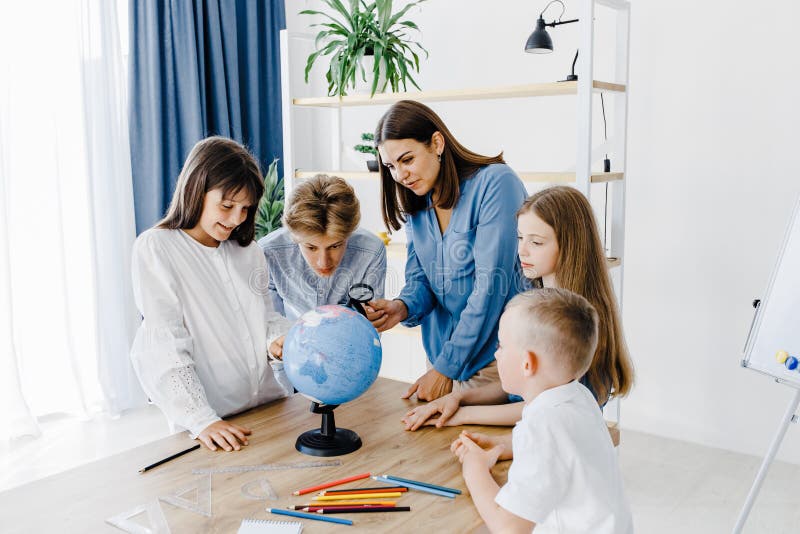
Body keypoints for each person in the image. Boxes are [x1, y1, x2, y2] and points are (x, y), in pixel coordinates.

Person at [402, 185, 634, 430]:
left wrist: (464, 414)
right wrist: (458, 398)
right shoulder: (530, 294)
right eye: (520, 238)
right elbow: (523, 385)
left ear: (570, 244)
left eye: (536, 242)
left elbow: (547, 407)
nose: (521, 250)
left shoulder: (578, 318)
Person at [130, 136, 293, 452]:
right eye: (227, 205)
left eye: (245, 209)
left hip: (268, 406)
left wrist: (274, 341)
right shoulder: (157, 248)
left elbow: (264, 318)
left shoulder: (249, 252)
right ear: (196, 189)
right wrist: (201, 418)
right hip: (212, 425)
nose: (236, 219)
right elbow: (164, 341)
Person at [366, 100, 528, 401]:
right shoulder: (417, 202)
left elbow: (490, 288)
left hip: (497, 359)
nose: (400, 175)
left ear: (436, 143)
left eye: (407, 159)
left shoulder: (496, 184)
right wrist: (402, 306)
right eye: (390, 166)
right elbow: (421, 281)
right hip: (441, 359)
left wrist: (445, 369)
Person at [450, 288, 633, 533]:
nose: (496, 353)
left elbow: (509, 527)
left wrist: (475, 468)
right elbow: (563, 449)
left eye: (501, 346)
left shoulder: (542, 427)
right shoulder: (577, 397)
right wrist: (500, 446)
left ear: (527, 364)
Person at [258, 174, 386, 325]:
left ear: (350, 233)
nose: (323, 262)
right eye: (311, 247)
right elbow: (272, 324)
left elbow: (368, 328)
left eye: (335, 246)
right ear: (293, 236)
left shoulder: (371, 251)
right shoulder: (268, 252)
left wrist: (370, 317)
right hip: (293, 341)